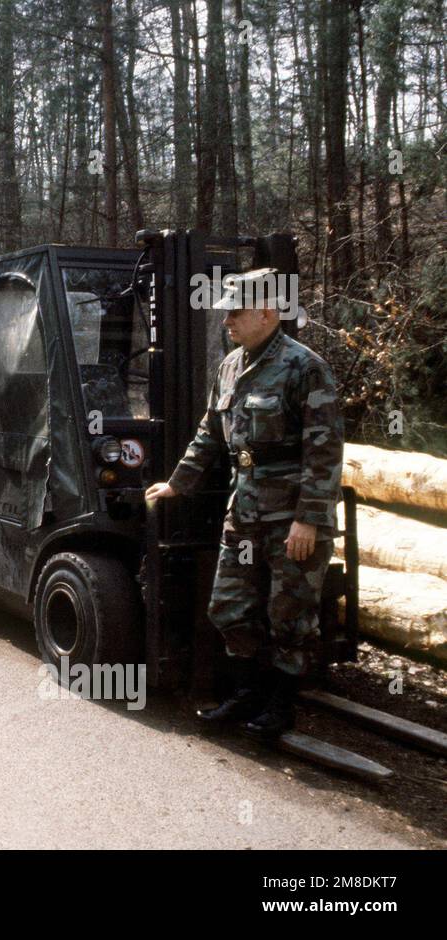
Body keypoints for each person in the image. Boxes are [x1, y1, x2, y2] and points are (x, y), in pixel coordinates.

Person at [145, 268, 343, 739]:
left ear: (267, 313)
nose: (227, 321)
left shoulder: (304, 367)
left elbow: (325, 449)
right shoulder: (230, 366)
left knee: (288, 616)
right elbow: (209, 434)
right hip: (245, 512)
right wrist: (178, 483)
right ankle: (246, 694)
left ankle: (279, 707)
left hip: (291, 519)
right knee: (230, 607)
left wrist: (309, 521)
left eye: (236, 312)